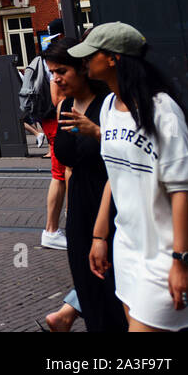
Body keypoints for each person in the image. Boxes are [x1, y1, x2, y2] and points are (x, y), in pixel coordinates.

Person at [82, 23, 188, 332]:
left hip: (167, 253)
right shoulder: (108, 108)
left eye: (90, 53)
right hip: (128, 248)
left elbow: (181, 190)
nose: (83, 60)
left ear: (113, 58)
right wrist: (99, 236)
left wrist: (181, 261)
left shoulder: (163, 111)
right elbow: (115, 174)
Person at [43, 36, 125, 333]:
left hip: (109, 202)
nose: (56, 79)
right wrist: (70, 211)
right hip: (79, 206)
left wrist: (96, 132)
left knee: (113, 291)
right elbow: (67, 168)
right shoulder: (63, 106)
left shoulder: (108, 104)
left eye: (62, 71)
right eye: (52, 72)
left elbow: (124, 155)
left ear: (82, 68)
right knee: (87, 288)